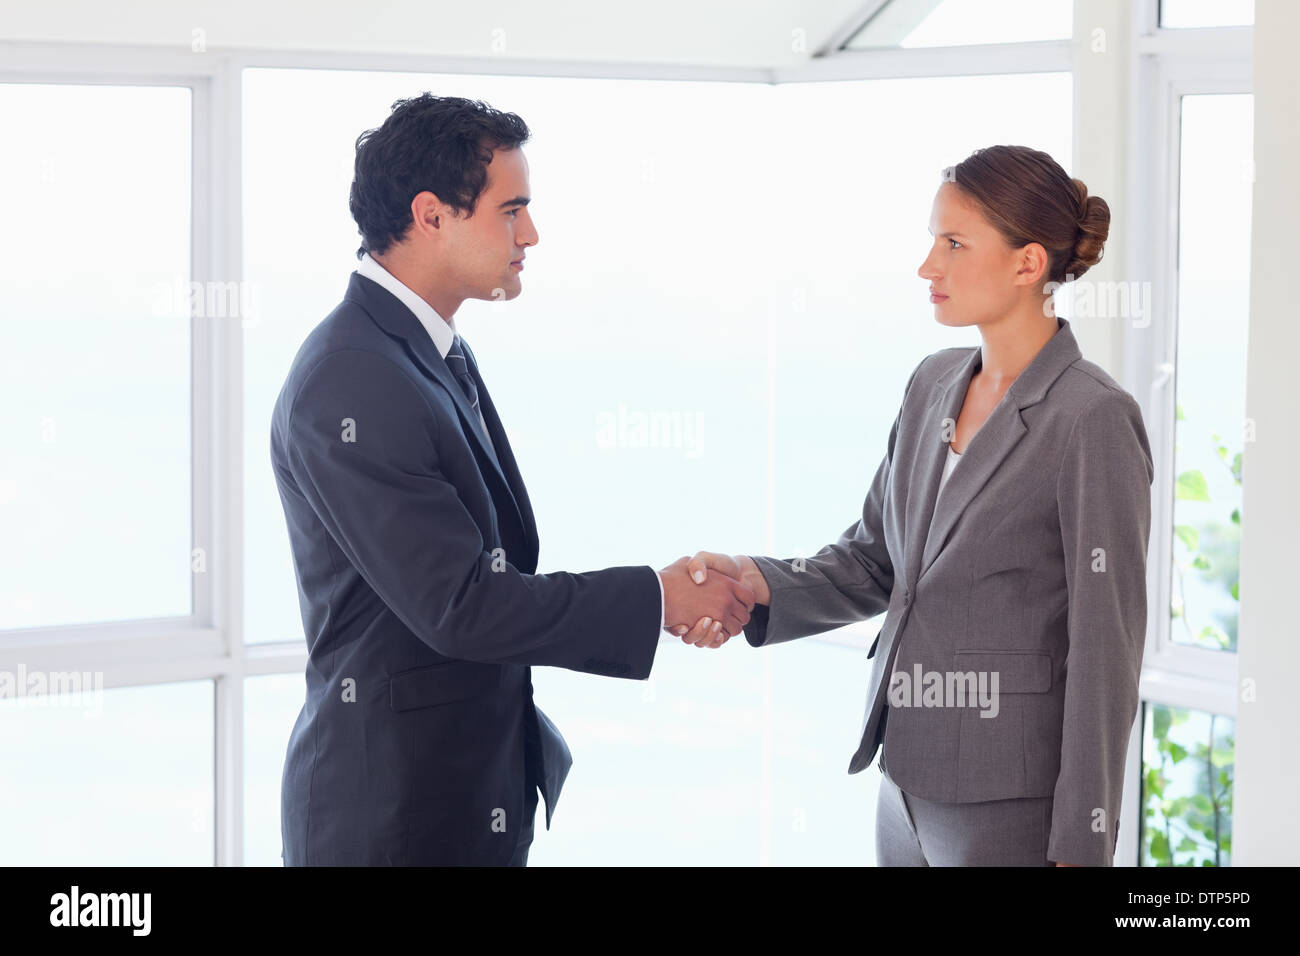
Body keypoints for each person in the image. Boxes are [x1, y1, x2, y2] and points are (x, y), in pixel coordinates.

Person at [270, 93, 754, 866]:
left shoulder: (423, 350)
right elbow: (460, 605)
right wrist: (660, 597)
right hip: (392, 819)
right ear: (431, 216)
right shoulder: (352, 376)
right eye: (512, 209)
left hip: (460, 795)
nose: (531, 234)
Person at [677, 145, 1154, 867]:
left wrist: (1082, 845)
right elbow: (875, 560)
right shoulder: (933, 382)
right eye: (935, 240)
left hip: (1011, 804)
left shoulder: (1091, 419)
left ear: (1028, 266)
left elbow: (1105, 652)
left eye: (955, 244)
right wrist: (753, 578)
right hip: (903, 781)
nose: (929, 266)